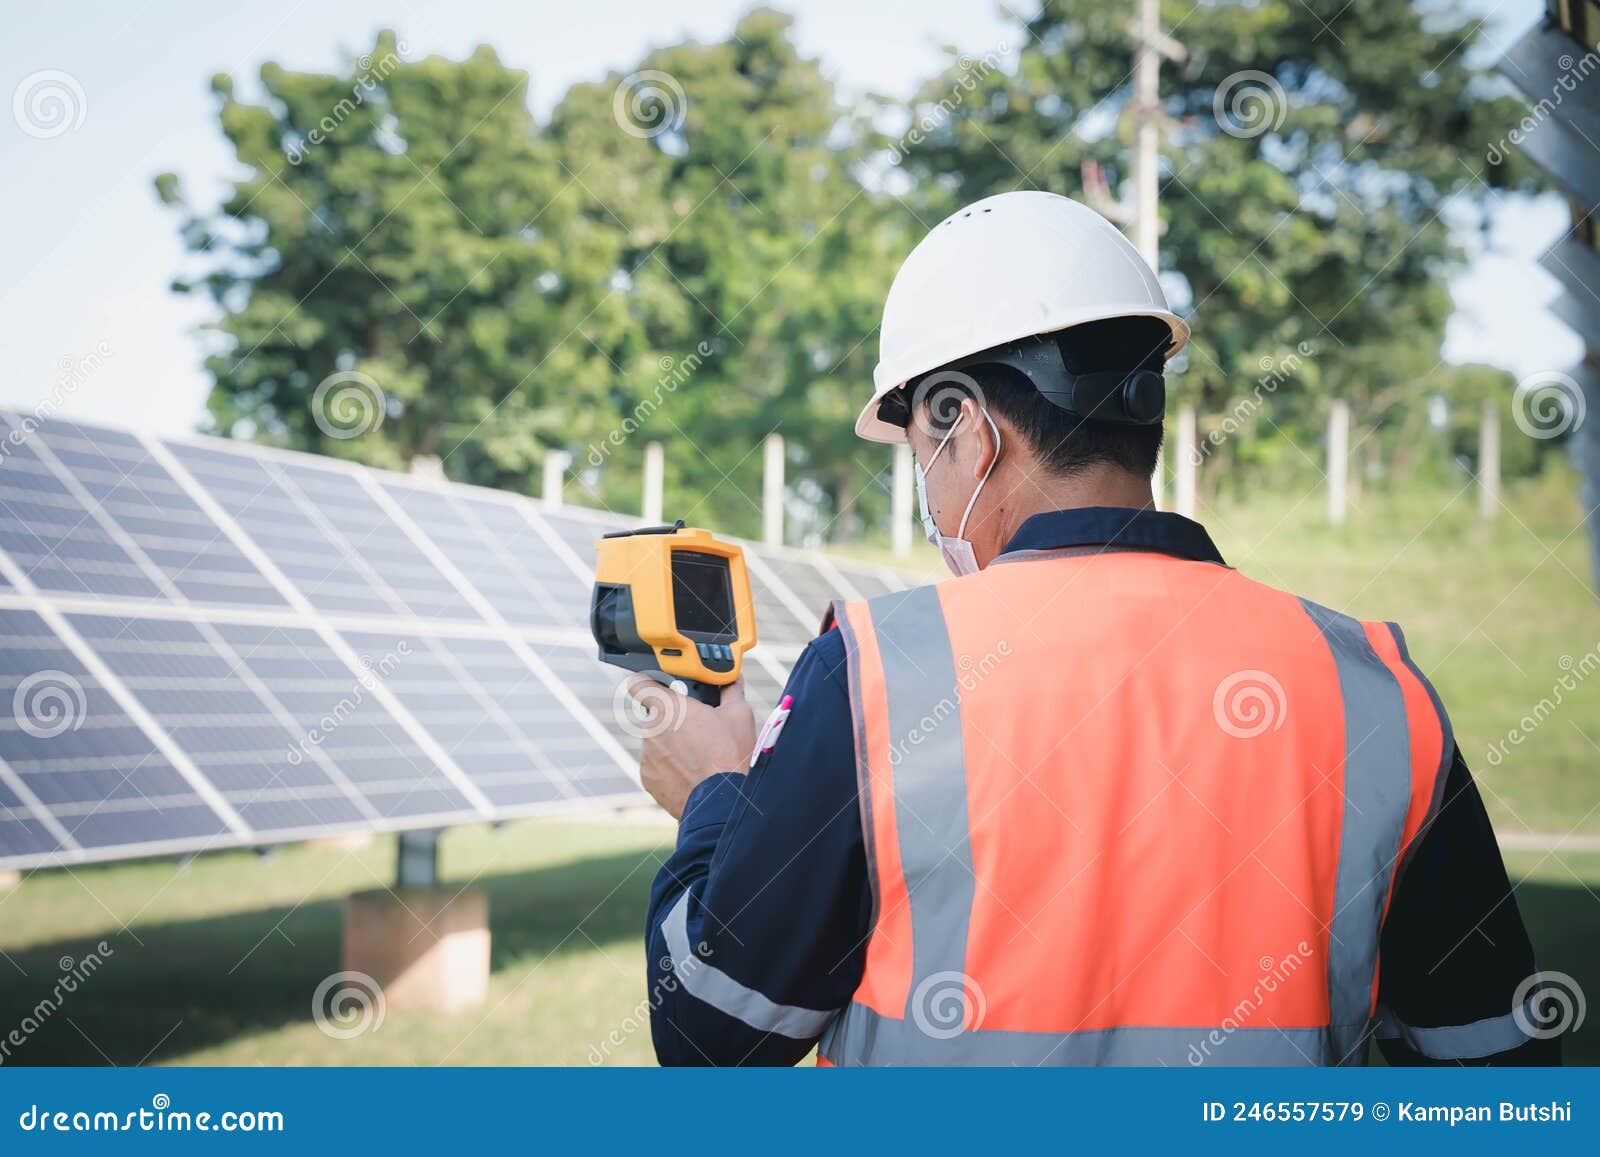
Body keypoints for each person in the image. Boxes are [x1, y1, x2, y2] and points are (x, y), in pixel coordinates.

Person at [627, 191, 1556, 1066]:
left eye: (920, 453)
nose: (928, 495)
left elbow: (713, 1034)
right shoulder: (1377, 693)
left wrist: (715, 791)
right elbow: (1503, 1070)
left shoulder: (874, 673)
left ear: (968, 427)